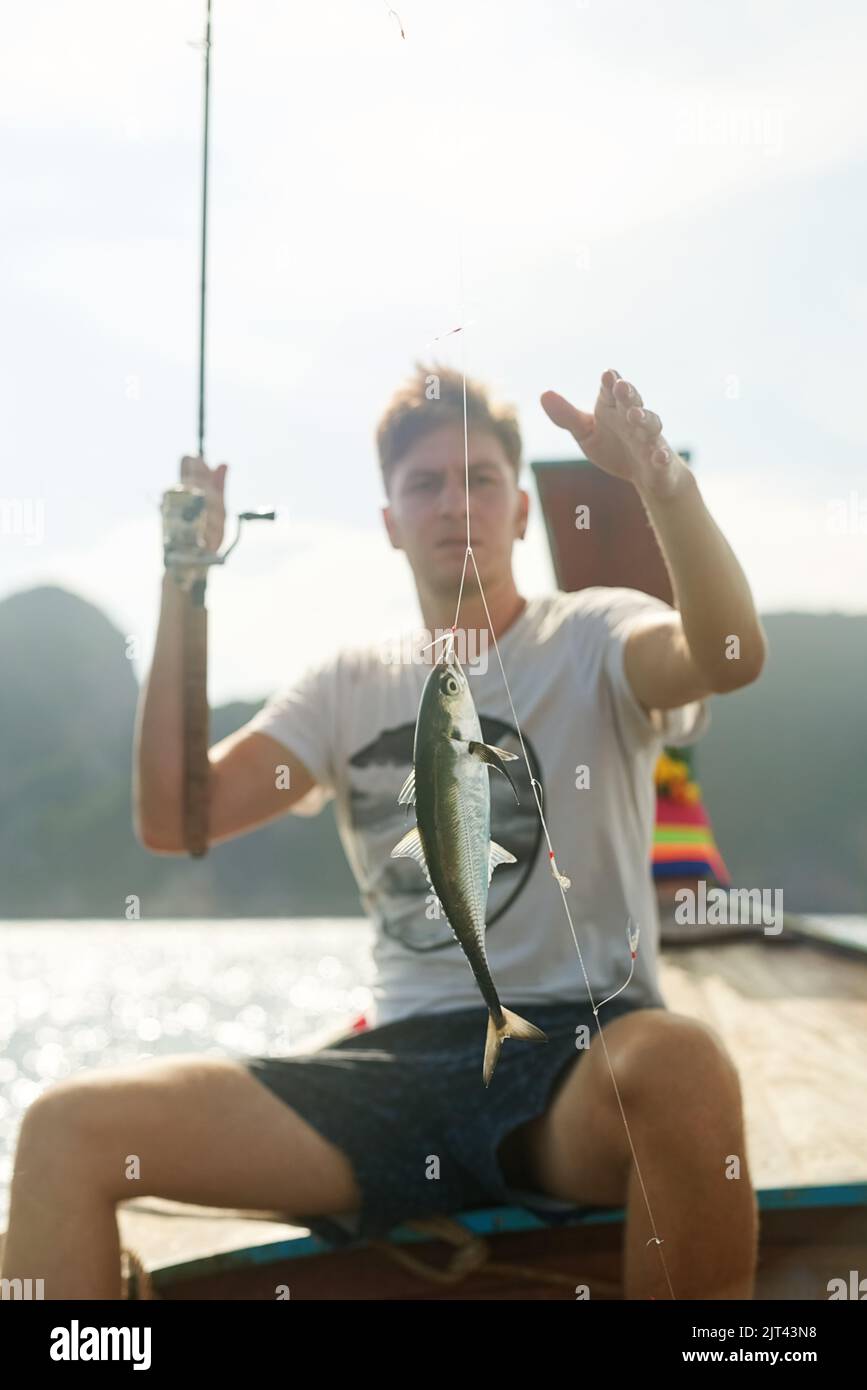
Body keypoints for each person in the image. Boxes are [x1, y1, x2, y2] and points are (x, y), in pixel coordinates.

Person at [1, 365, 766, 1299]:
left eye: (480, 479)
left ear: (521, 509)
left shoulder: (594, 637)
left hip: (573, 1065)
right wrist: (185, 575)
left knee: (680, 1061)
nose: (455, 504)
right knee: (64, 1129)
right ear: (389, 523)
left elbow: (727, 655)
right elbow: (174, 818)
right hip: (388, 1070)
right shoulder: (346, 684)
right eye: (424, 484)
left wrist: (661, 485)